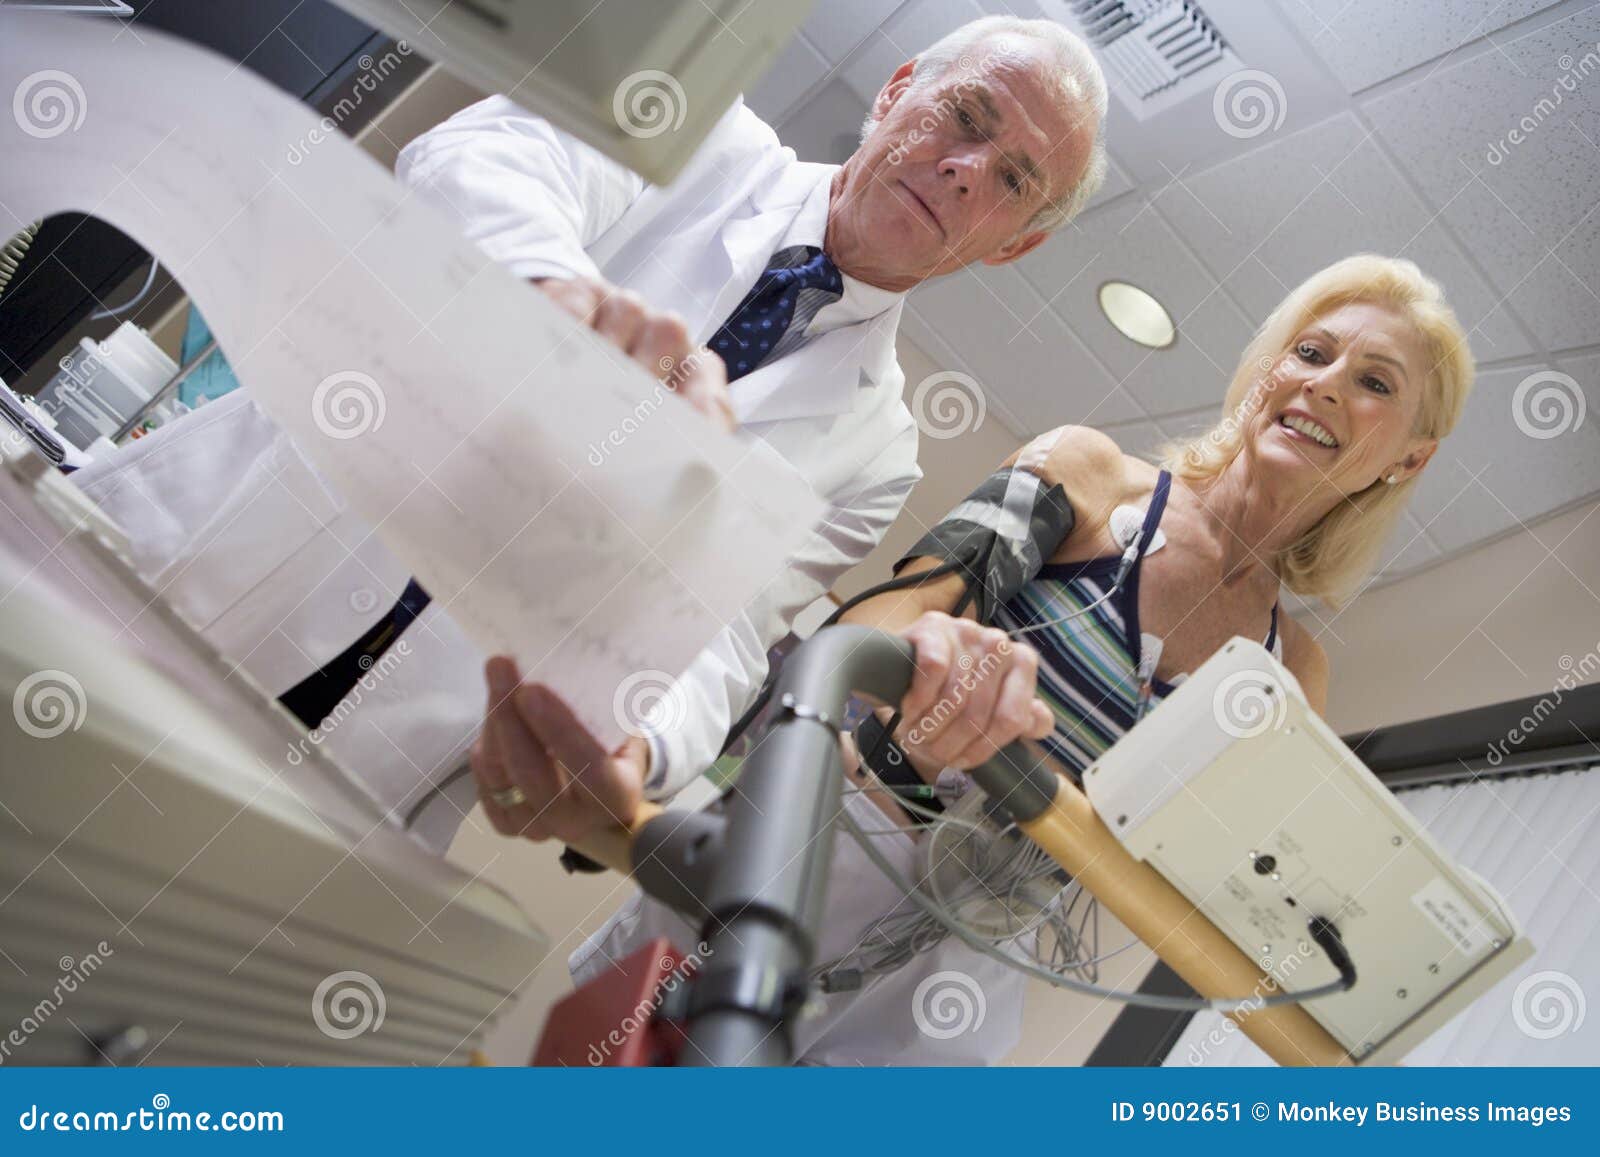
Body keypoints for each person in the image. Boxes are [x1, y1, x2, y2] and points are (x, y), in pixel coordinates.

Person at [70, 16, 1109, 851]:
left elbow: (722, 635)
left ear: (1010, 246)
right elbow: (469, 158)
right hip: (197, 567)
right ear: (895, 92)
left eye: (1013, 178)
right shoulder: (695, 135)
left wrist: (634, 752)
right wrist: (553, 299)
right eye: (964, 114)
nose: (968, 167)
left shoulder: (878, 446)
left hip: (393, 739)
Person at [570, 254, 1476, 1064]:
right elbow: (904, 608)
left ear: (1408, 459)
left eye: (1373, 383)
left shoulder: (1291, 672)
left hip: (973, 953)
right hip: (841, 833)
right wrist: (928, 654)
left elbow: (1196, 873)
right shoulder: (1088, 475)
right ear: (1269, 372)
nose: (1323, 386)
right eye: (1311, 354)